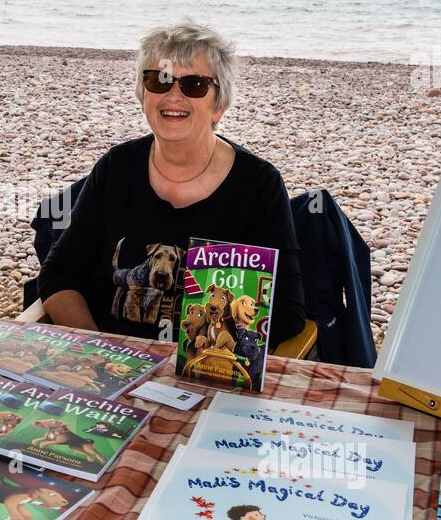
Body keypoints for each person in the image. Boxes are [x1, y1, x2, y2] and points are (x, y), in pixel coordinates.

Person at [38, 21, 306, 346]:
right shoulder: (116, 168)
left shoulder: (258, 186)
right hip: (107, 366)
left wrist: (198, 354)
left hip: (207, 372)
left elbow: (286, 313)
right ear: (143, 94)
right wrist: (96, 350)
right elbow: (59, 275)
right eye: (159, 80)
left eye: (194, 84)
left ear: (219, 104)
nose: (173, 95)